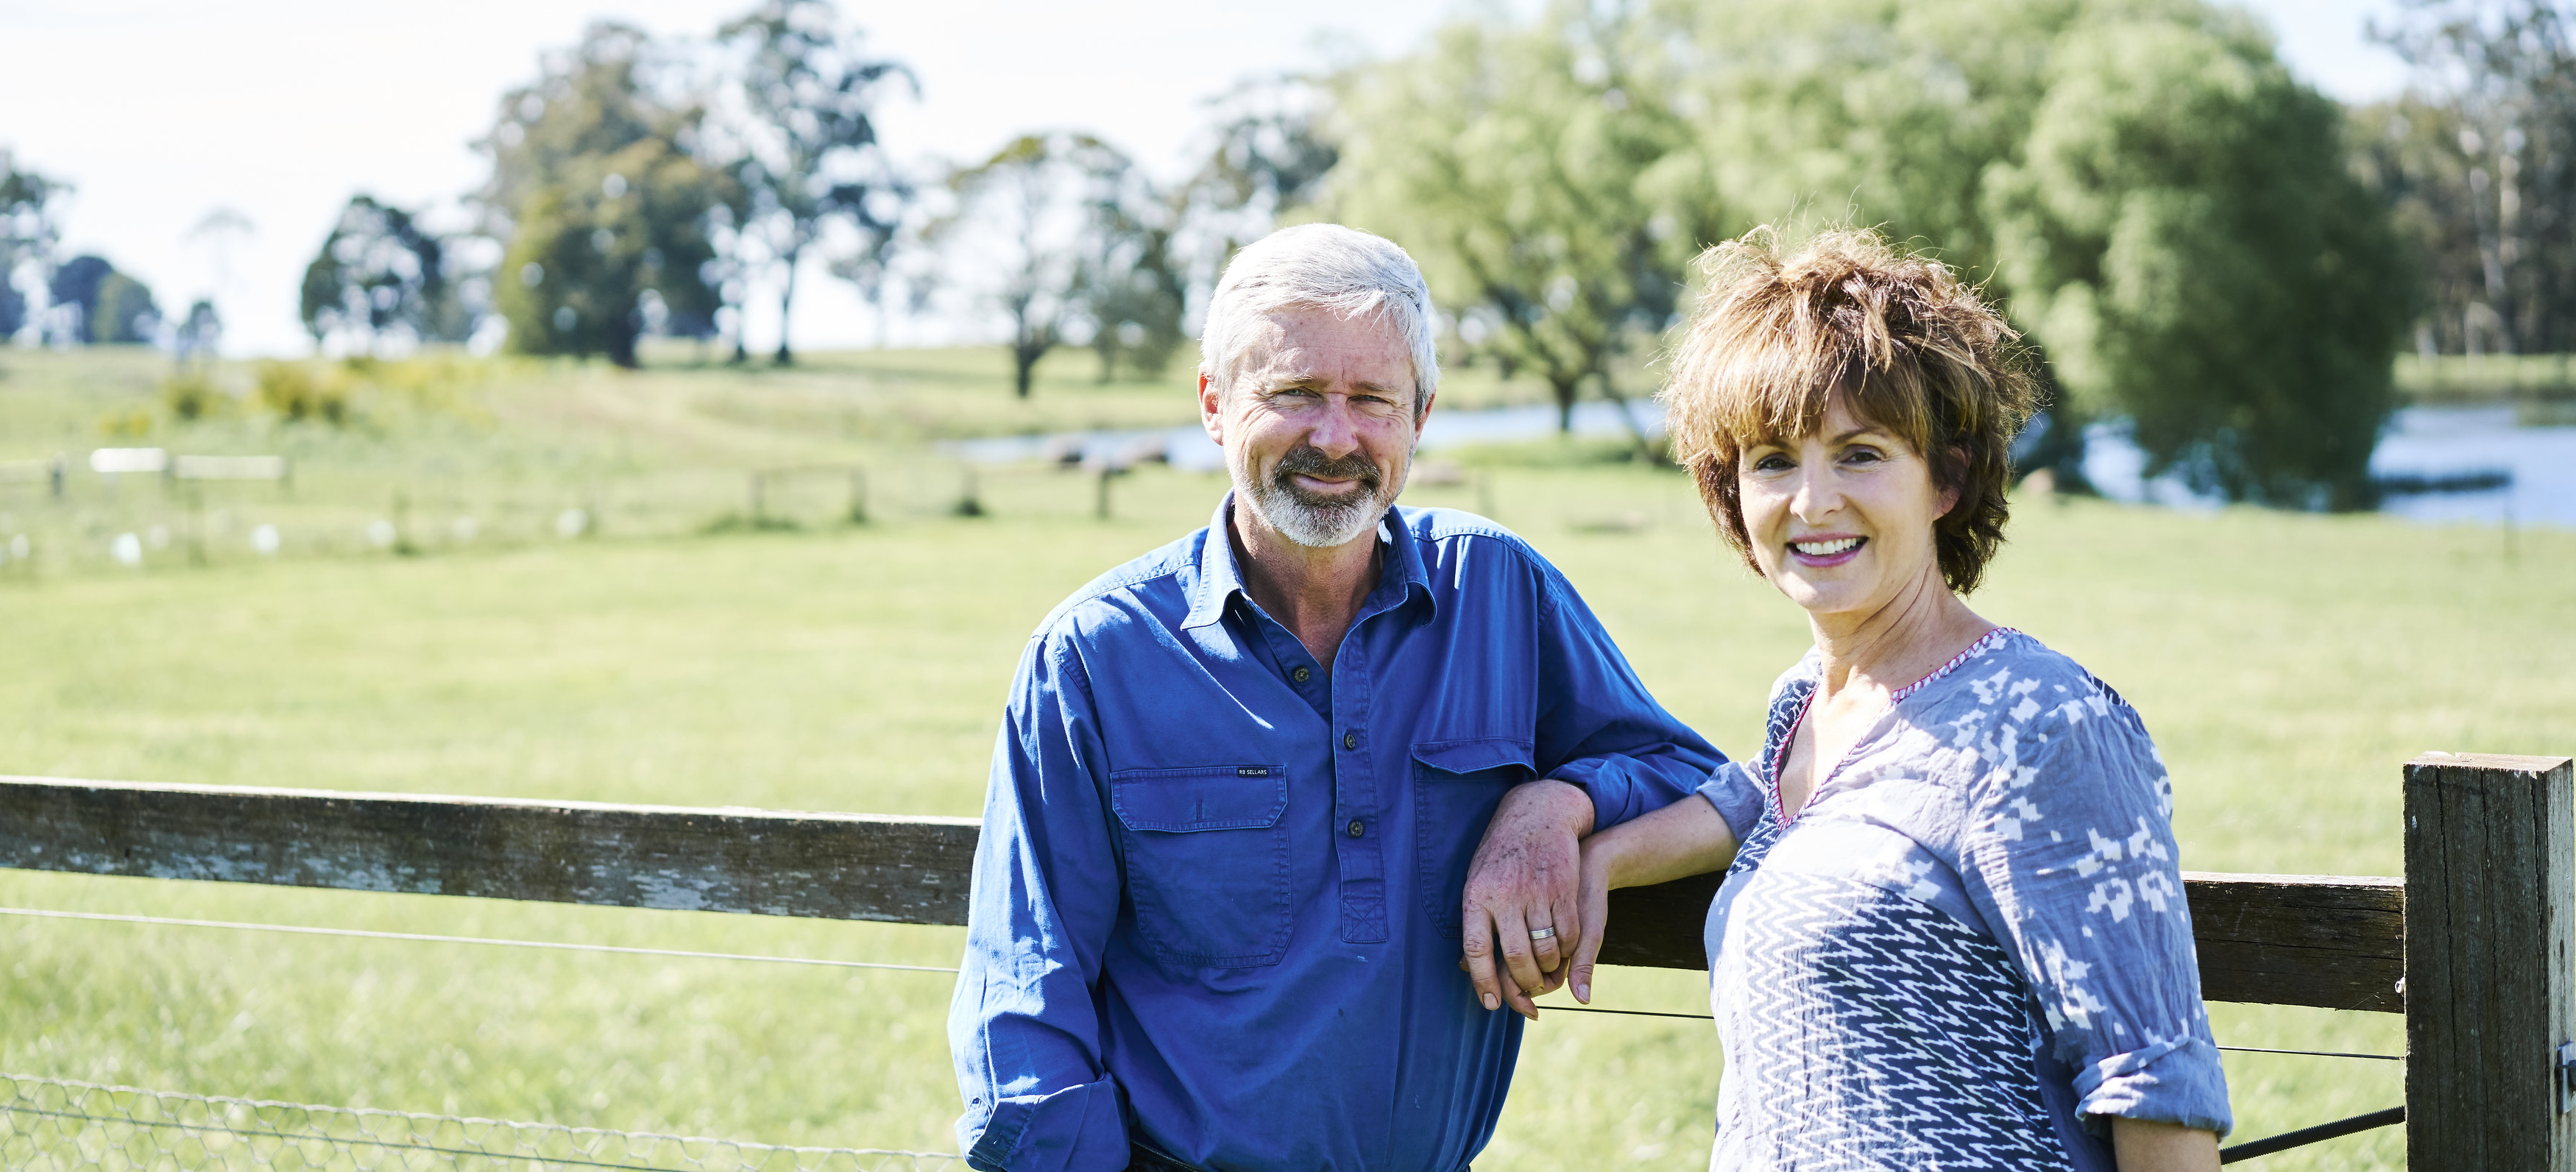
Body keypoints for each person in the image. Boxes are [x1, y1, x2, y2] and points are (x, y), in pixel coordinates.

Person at [949, 223, 1725, 1172]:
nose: (1335, 436)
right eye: (1295, 394)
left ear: (1422, 414)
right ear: (1214, 404)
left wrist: (1555, 804)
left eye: (1371, 399)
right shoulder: (1094, 654)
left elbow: (1697, 778)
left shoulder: (1497, 591)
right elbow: (1024, 1001)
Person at [1562, 227, 2231, 1171]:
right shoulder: (1804, 704)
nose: (1813, 499)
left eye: (1861, 452)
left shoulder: (2038, 722)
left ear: (1946, 478)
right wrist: (1596, 853)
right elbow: (1779, 804)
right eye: (1771, 459)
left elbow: (2155, 1088)